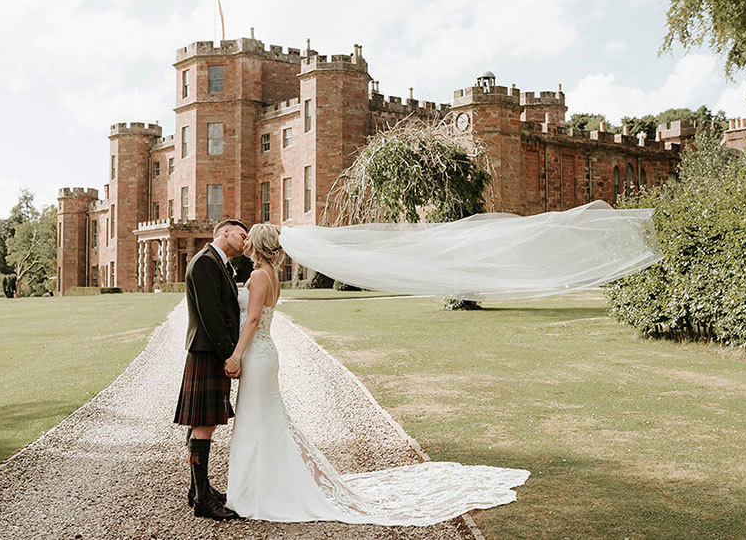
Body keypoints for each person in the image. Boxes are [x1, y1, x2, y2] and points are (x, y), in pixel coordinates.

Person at [224, 223, 530, 525]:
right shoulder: (269, 276)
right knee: (266, 419)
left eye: (250, 237)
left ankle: (261, 489)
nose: (245, 240)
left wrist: (236, 355)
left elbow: (252, 320)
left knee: (258, 418)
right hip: (263, 354)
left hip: (256, 355)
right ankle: (268, 482)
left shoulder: (258, 276)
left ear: (259, 245)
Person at [173, 218, 247, 520]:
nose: (245, 242)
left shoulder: (219, 262)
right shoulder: (205, 262)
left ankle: (198, 489)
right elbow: (212, 316)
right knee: (203, 425)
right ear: (225, 232)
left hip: (207, 352)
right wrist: (229, 355)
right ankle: (203, 499)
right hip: (207, 352)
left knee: (205, 423)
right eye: (242, 236)